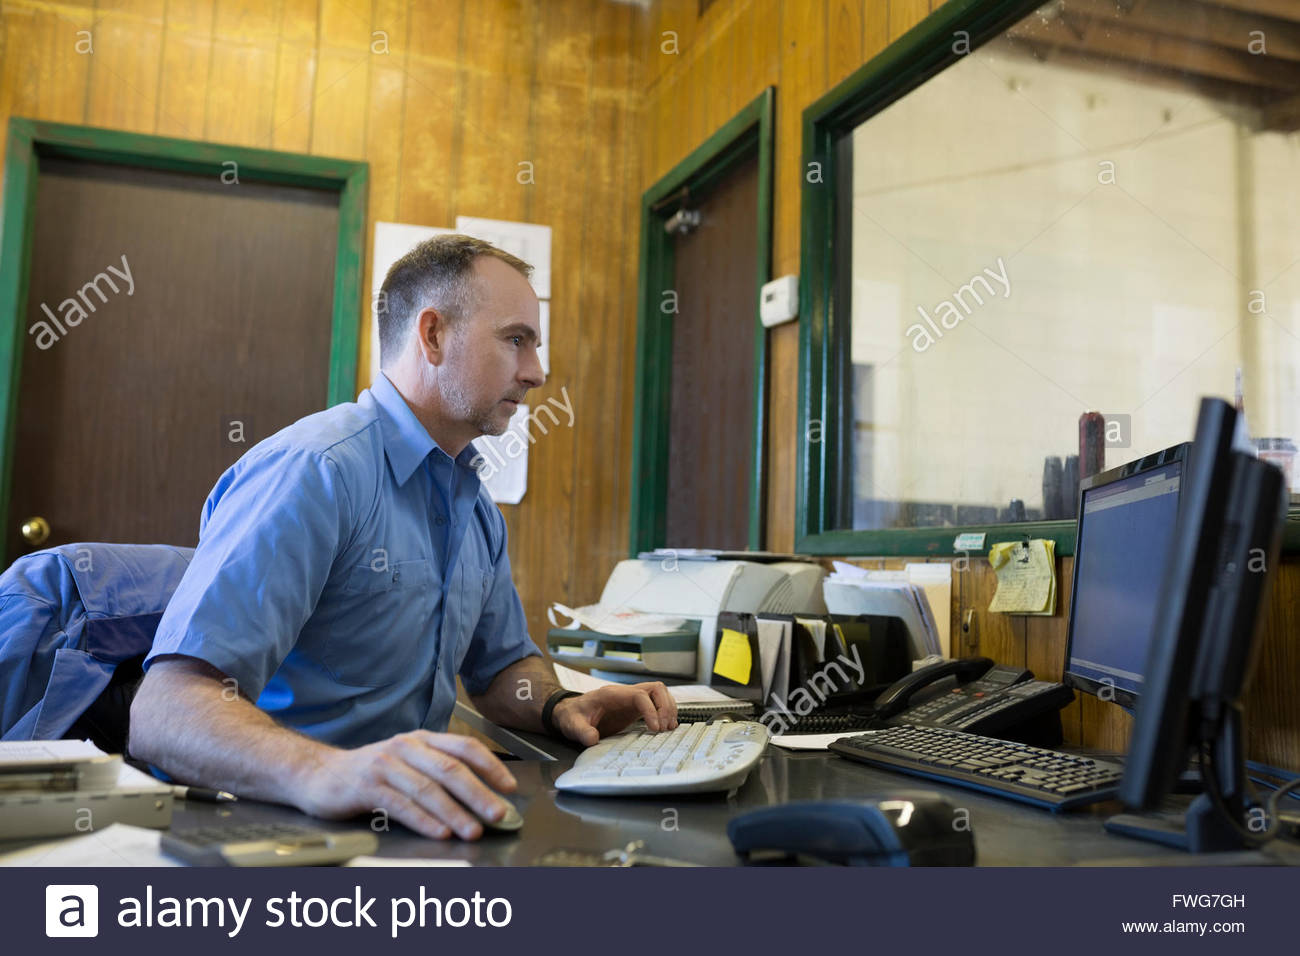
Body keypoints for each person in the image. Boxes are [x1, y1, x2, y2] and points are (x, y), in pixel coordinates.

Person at [129, 235, 677, 841]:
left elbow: (499, 672)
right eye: (516, 339)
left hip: (403, 830)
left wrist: (558, 705)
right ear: (434, 335)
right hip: (275, 829)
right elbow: (164, 712)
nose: (538, 373)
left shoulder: (475, 507)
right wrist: (329, 773)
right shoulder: (315, 472)